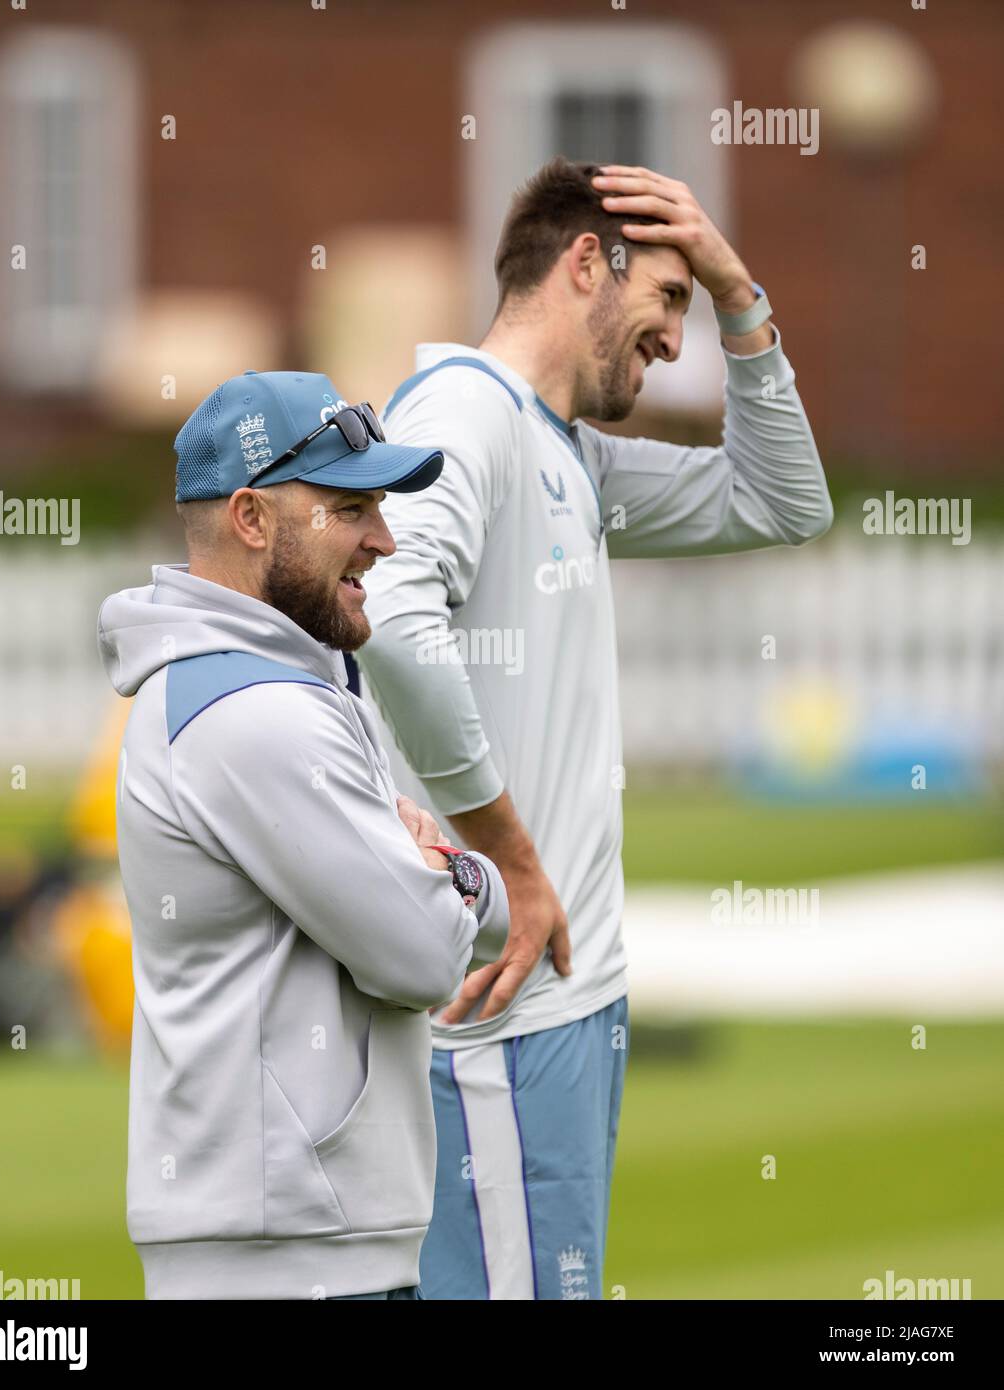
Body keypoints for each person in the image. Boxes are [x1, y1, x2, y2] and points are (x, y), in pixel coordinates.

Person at [355, 158, 834, 1300]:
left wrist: (738, 294)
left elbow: (786, 502)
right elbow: (392, 616)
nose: (678, 337)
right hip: (504, 1016)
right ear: (586, 263)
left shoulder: (564, 445)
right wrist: (514, 858)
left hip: (566, 1008)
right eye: (670, 300)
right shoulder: (466, 412)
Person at [97, 369, 510, 1300]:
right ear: (251, 518)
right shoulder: (255, 708)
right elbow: (423, 953)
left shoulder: (263, 686)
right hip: (290, 1257)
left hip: (293, 1244)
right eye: (351, 507)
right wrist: (468, 876)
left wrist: (437, 874)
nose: (384, 538)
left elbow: (425, 919)